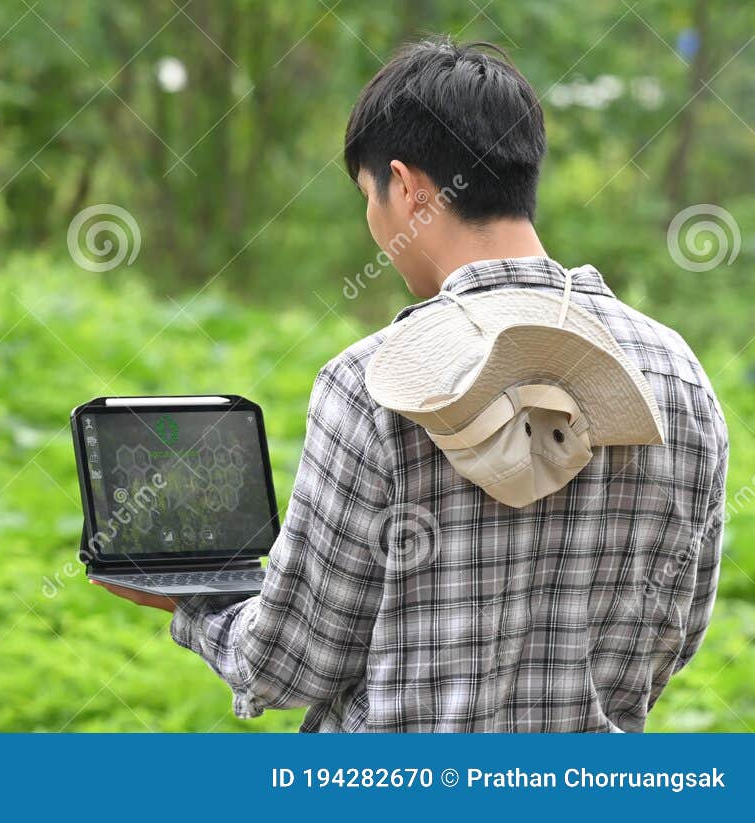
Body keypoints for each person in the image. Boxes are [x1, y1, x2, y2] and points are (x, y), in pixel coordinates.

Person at [94, 38, 729, 732]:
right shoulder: (676, 374)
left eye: (370, 196)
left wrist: (194, 603)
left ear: (406, 186)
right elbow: (677, 634)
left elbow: (286, 662)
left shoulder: (374, 385)